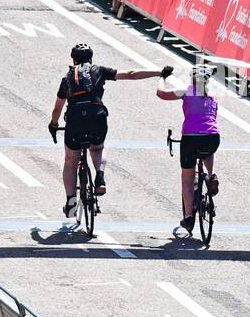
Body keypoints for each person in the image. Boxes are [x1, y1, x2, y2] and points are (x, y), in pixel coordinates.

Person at [49, 44, 171, 218]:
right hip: (97, 117)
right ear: (91, 58)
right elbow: (131, 74)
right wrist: (159, 72)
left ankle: (71, 201)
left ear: (73, 59)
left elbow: (57, 110)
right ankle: (99, 177)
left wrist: (53, 124)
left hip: (75, 120)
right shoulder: (99, 70)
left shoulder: (67, 78)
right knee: (97, 148)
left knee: (70, 160)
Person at [158, 64, 220, 232]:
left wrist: (162, 79)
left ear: (192, 78)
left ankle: (188, 216)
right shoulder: (213, 95)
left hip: (190, 137)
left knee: (187, 179)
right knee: (208, 149)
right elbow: (213, 117)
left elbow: (161, 94)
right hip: (212, 137)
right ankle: (210, 175)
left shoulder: (186, 91)